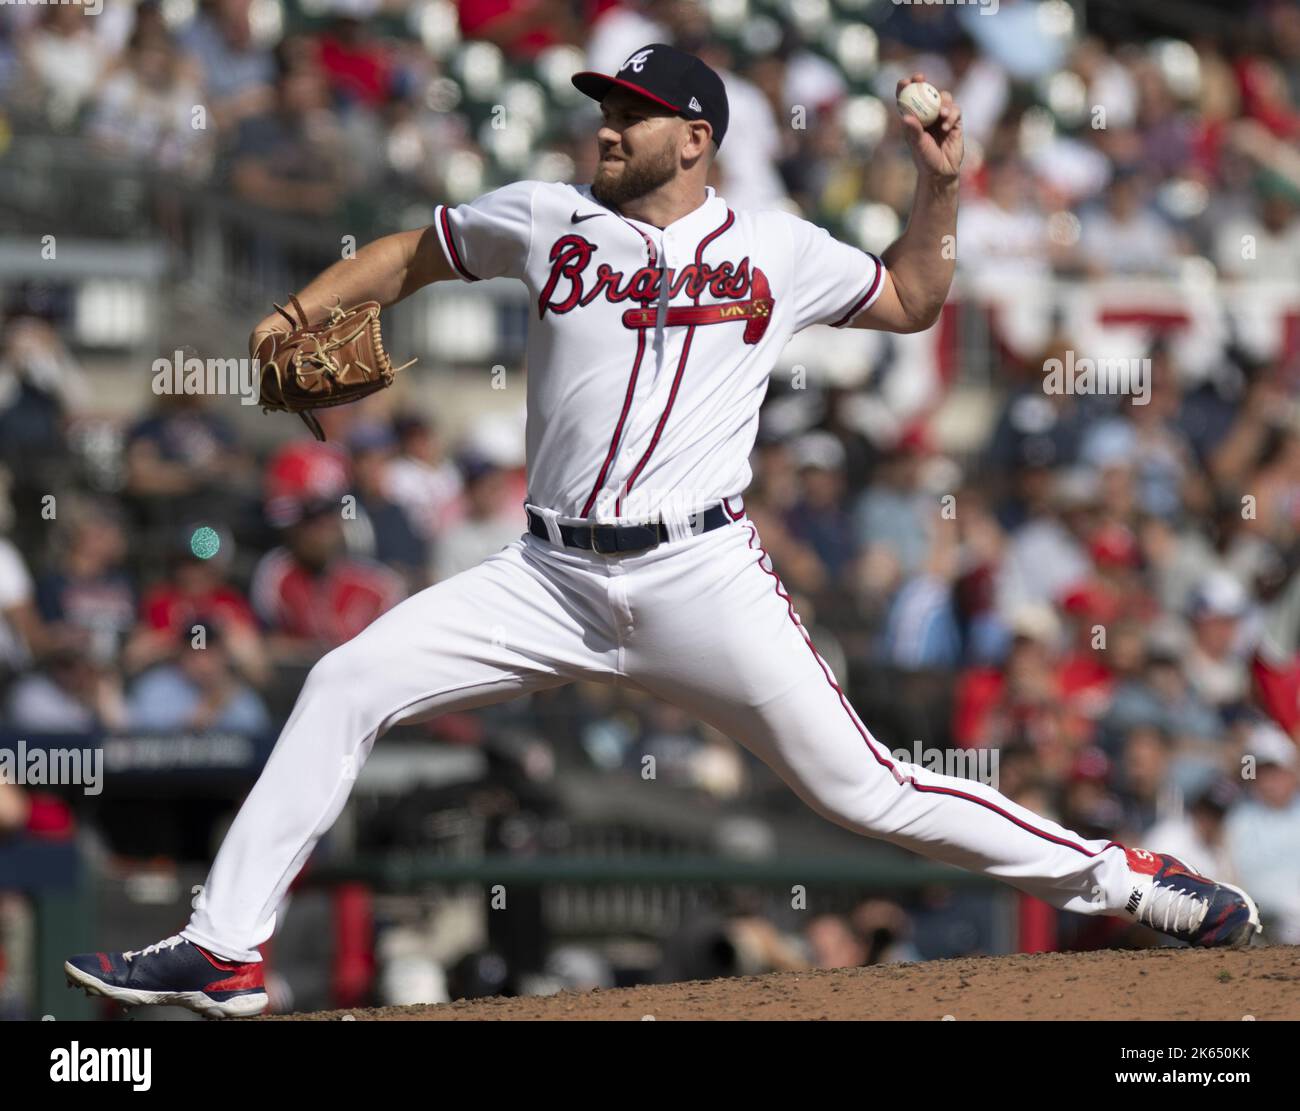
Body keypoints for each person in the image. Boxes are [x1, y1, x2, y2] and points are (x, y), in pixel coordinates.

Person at [67, 45, 1261, 1019]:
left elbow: (911, 298)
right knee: (342, 679)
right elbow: (412, 254)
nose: (605, 127)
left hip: (701, 572)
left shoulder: (774, 248)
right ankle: (225, 949)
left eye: (631, 113)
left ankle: (1125, 877)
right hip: (544, 574)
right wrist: (301, 309)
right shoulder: (544, 217)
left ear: (695, 138)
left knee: (871, 793)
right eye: (603, 107)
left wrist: (939, 185)